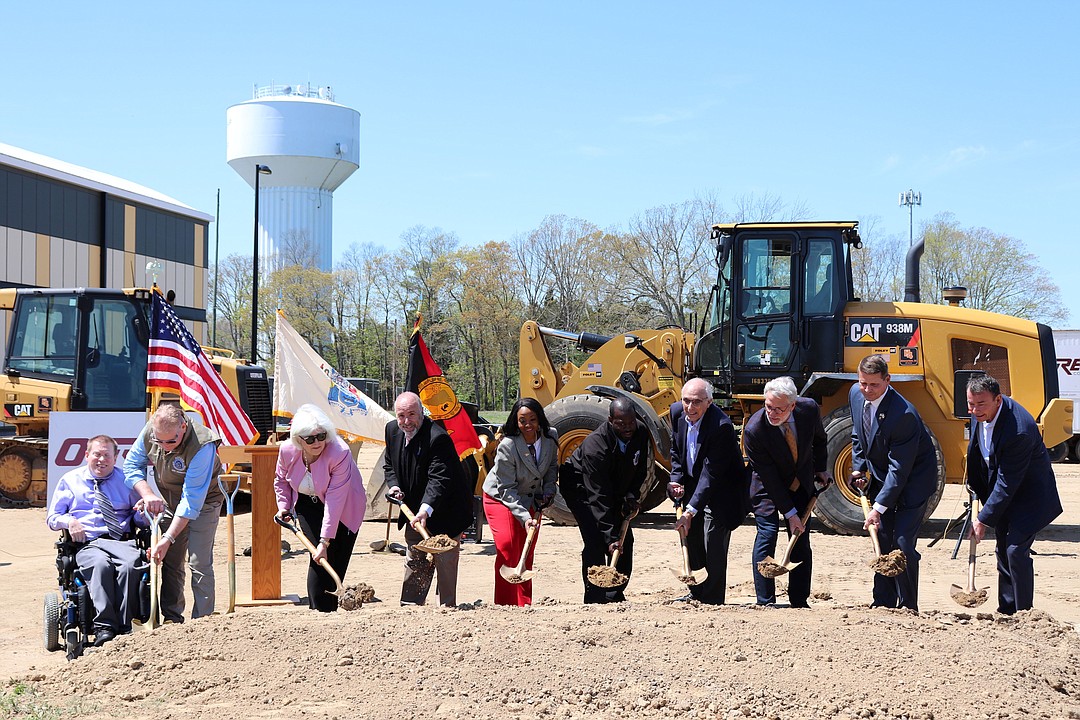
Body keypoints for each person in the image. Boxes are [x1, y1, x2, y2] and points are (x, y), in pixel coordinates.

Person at [965, 374, 1062, 614]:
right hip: (1003, 493)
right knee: (1002, 549)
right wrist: (977, 491)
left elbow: (1008, 482)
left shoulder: (1019, 429)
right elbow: (980, 453)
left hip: (1030, 496)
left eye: (980, 404)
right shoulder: (981, 411)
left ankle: (1024, 613)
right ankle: (1007, 609)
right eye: (971, 404)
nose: (974, 410)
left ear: (998, 399)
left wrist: (983, 518)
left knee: (1015, 550)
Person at [848, 354, 937, 611]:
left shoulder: (903, 414)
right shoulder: (856, 394)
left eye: (874, 385)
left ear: (888, 380)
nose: (867, 390)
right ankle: (882, 602)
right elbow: (858, 433)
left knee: (902, 544)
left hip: (913, 482)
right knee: (883, 540)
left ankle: (908, 606)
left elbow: (900, 471)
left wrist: (878, 508)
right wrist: (858, 468)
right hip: (880, 475)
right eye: (863, 383)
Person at [124, 403, 223, 622]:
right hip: (170, 501)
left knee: (199, 562)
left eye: (172, 441)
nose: (165, 446)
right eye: (160, 441)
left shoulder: (202, 445)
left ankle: (203, 621)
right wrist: (148, 494)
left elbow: (191, 501)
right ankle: (172, 618)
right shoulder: (152, 431)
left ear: (184, 427)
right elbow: (131, 466)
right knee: (169, 560)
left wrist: (168, 538)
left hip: (204, 503)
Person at [46, 435, 146, 646]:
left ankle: (126, 625)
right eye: (97, 454)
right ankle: (104, 627)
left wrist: (142, 512)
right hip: (88, 542)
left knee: (130, 566)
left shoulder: (127, 481)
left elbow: (140, 520)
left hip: (121, 540)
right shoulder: (70, 480)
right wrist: (69, 520)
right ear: (86, 455)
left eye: (106, 455)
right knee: (100, 566)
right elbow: (52, 518)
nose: (101, 460)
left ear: (116, 457)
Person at [744, 377, 831, 607]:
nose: (772, 413)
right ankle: (765, 601)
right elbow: (769, 478)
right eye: (768, 406)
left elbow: (820, 440)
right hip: (767, 486)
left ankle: (799, 600)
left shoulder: (809, 409)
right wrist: (790, 514)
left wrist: (821, 468)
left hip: (800, 482)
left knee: (801, 540)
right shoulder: (755, 430)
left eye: (779, 409)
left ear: (793, 405)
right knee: (768, 534)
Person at [383, 391, 474, 607]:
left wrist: (426, 509)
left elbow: (439, 479)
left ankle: (446, 609)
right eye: (401, 415)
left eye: (412, 414)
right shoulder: (391, 430)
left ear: (422, 413)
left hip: (446, 511)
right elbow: (389, 464)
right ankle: (411, 607)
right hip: (414, 511)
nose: (406, 421)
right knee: (416, 559)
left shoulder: (437, 437)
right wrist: (394, 486)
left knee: (444, 562)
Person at [275, 404, 367, 612]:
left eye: (321, 436)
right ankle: (319, 612)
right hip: (307, 503)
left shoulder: (339, 452)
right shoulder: (287, 450)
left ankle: (331, 609)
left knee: (334, 558)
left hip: (345, 507)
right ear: (299, 439)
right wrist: (284, 507)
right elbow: (280, 480)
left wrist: (325, 541)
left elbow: (335, 501)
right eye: (310, 438)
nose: (317, 442)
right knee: (317, 558)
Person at [559, 397, 652, 603]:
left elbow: (639, 468)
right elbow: (598, 496)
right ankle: (595, 596)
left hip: (613, 485)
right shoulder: (595, 447)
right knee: (596, 540)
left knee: (625, 539)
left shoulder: (641, 431)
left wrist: (631, 495)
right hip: (581, 489)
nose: (628, 428)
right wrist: (610, 538)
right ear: (610, 420)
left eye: (631, 422)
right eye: (621, 423)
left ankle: (615, 593)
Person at [670, 378, 748, 604]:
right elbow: (675, 451)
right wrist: (675, 480)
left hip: (722, 491)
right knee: (692, 539)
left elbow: (711, 474)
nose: (690, 408)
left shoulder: (721, 426)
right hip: (694, 486)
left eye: (696, 402)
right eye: (686, 401)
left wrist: (690, 511)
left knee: (712, 542)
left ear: (709, 402)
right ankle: (695, 592)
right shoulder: (676, 413)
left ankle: (713, 599)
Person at [482, 398, 558, 606]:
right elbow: (506, 488)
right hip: (501, 499)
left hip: (532, 498)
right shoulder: (507, 445)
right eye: (522, 421)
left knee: (526, 550)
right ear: (515, 422)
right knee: (508, 547)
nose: (528, 425)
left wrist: (549, 491)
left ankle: (524, 605)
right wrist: (524, 517)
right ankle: (506, 605)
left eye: (532, 419)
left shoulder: (551, 437)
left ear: (539, 419)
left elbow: (551, 467)